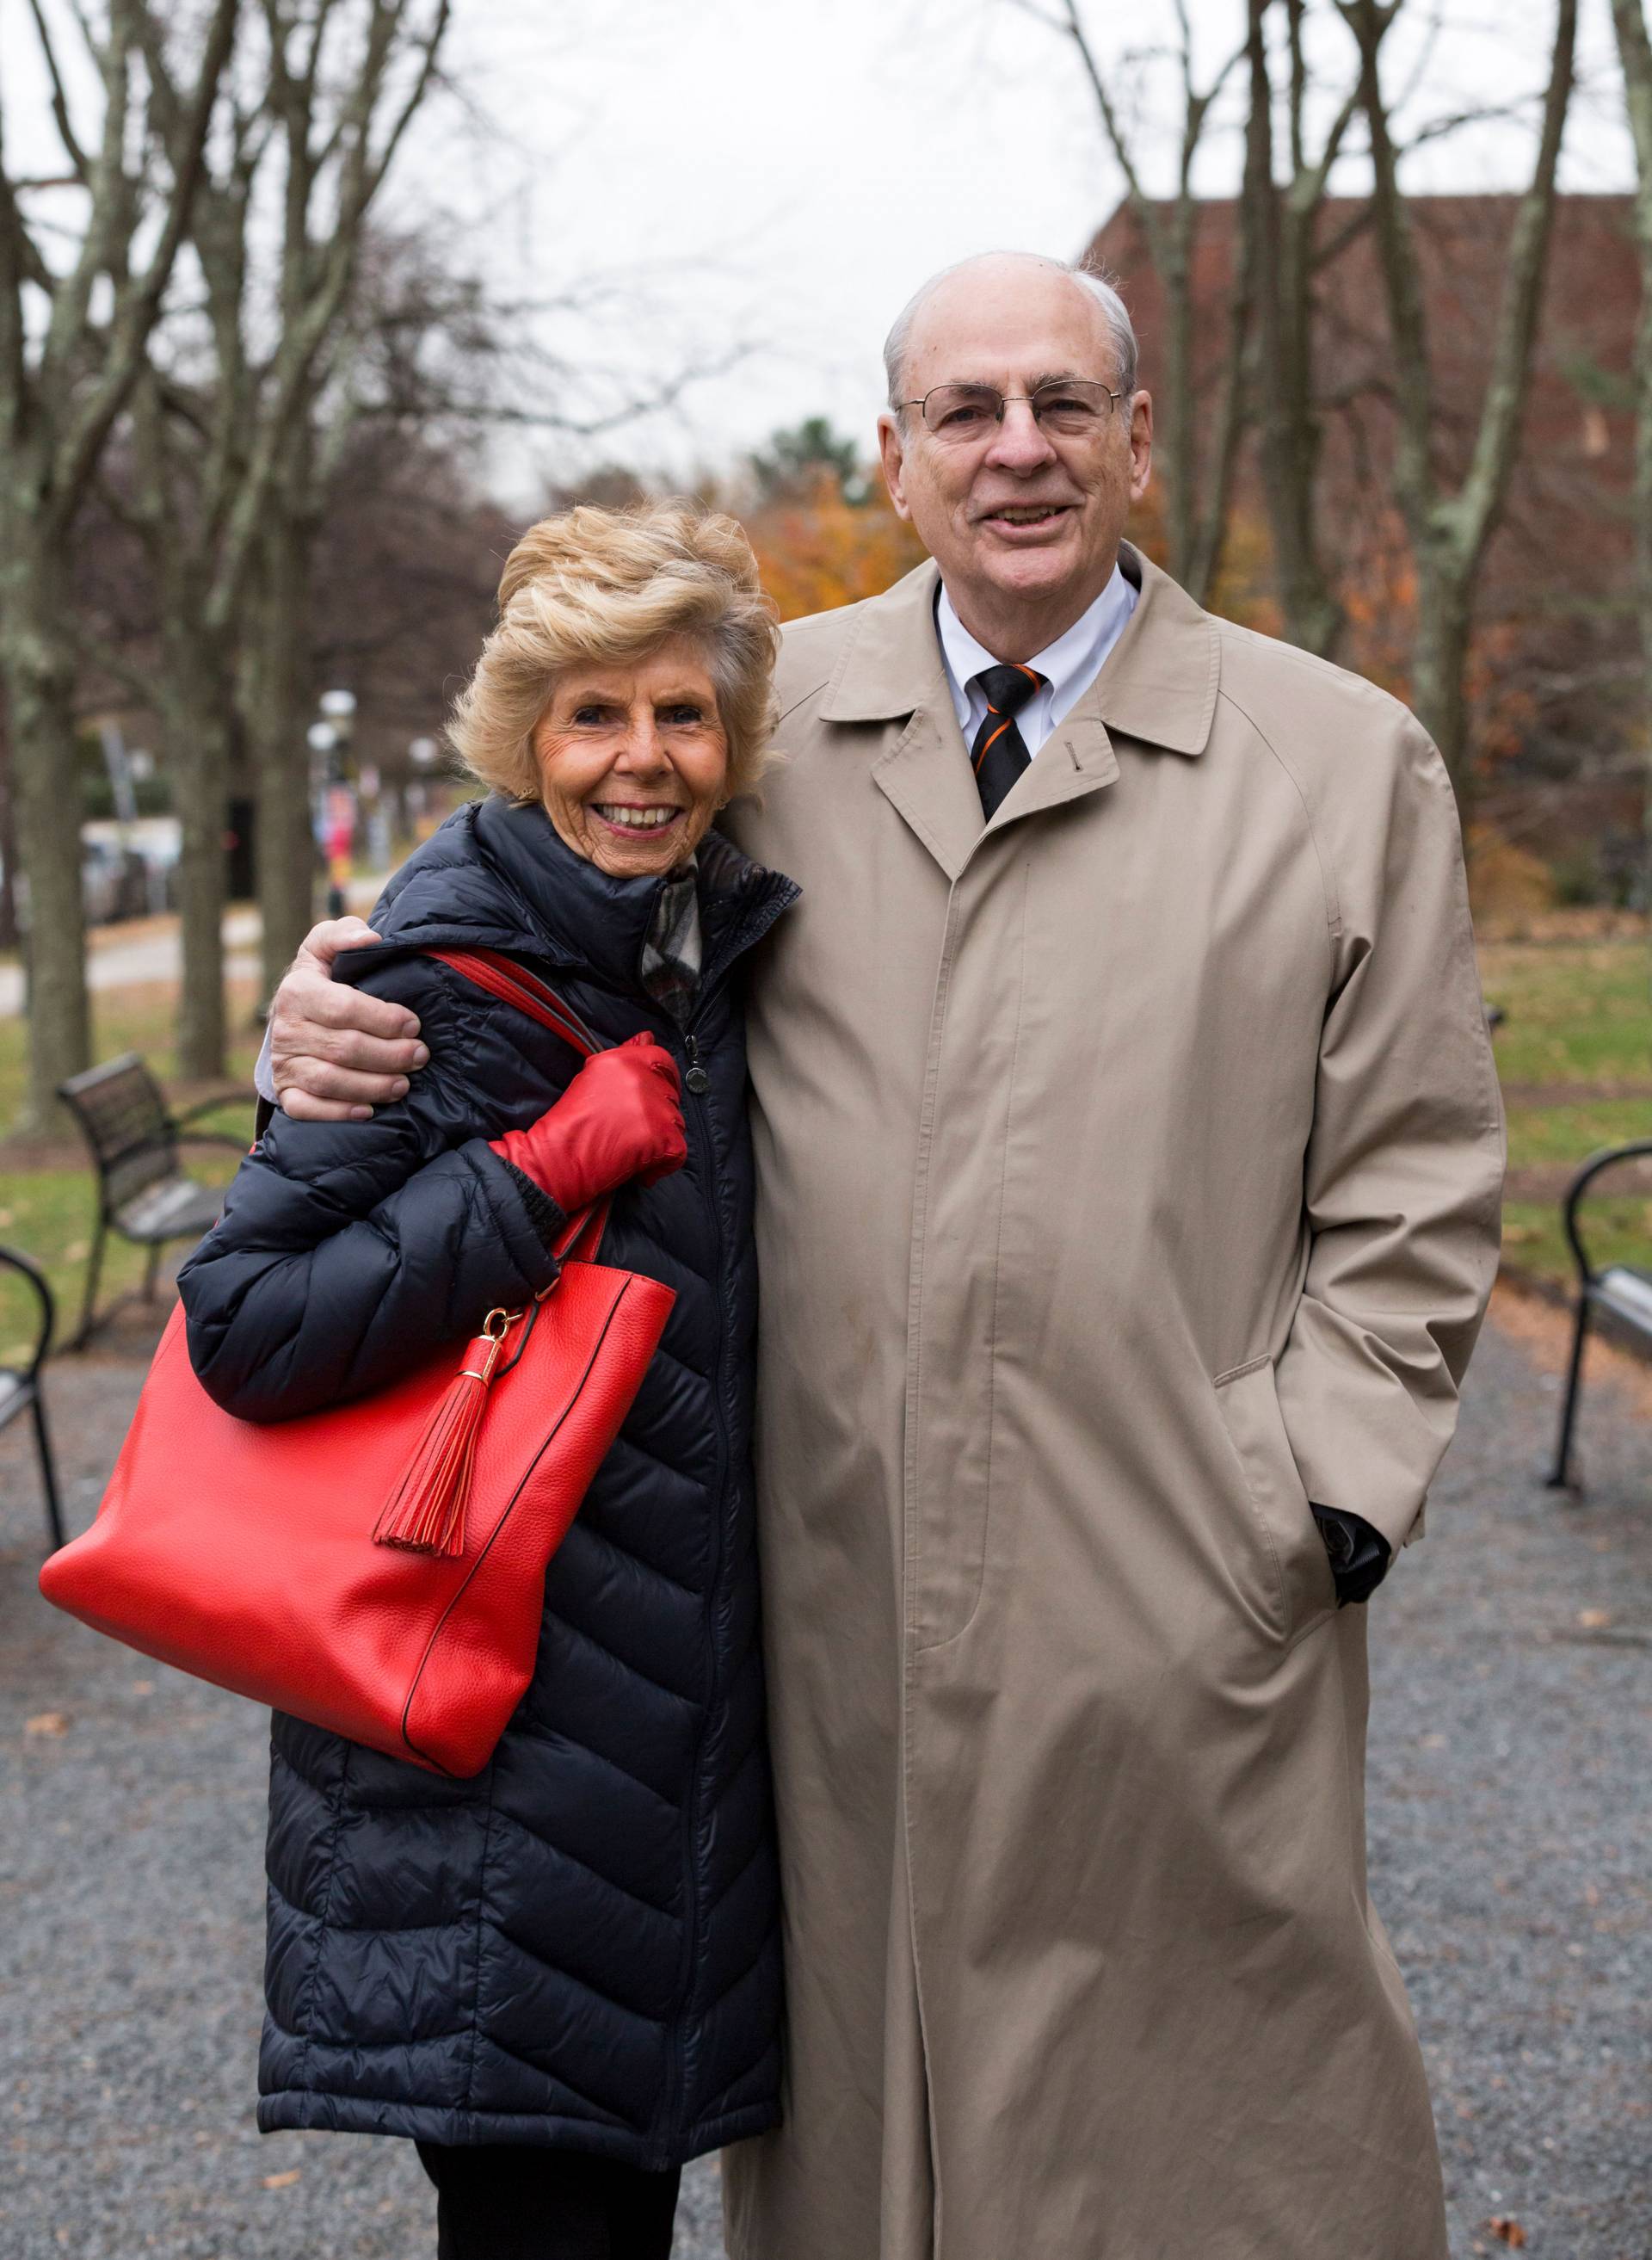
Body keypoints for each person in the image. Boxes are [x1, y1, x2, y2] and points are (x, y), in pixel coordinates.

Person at [263, 253, 1505, 2260]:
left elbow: (1420, 1170)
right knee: (854, 2108)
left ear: (1137, 440)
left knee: (1213, 2100)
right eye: (966, 414)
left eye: (1061, 405)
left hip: (1176, 1559)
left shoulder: (1341, 762)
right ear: (896, 459)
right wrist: (318, 1033)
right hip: (804, 1578)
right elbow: (516, 929)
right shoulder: (761, 726)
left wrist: (1319, 1497)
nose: (1017, 451)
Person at [178, 502, 797, 2260]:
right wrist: (530, 1177)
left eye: (682, 714)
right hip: (492, 1768)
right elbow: (251, 1317)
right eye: (594, 715)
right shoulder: (440, 974)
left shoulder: (687, 954)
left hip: (647, 1757)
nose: (643, 759)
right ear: (525, 733)